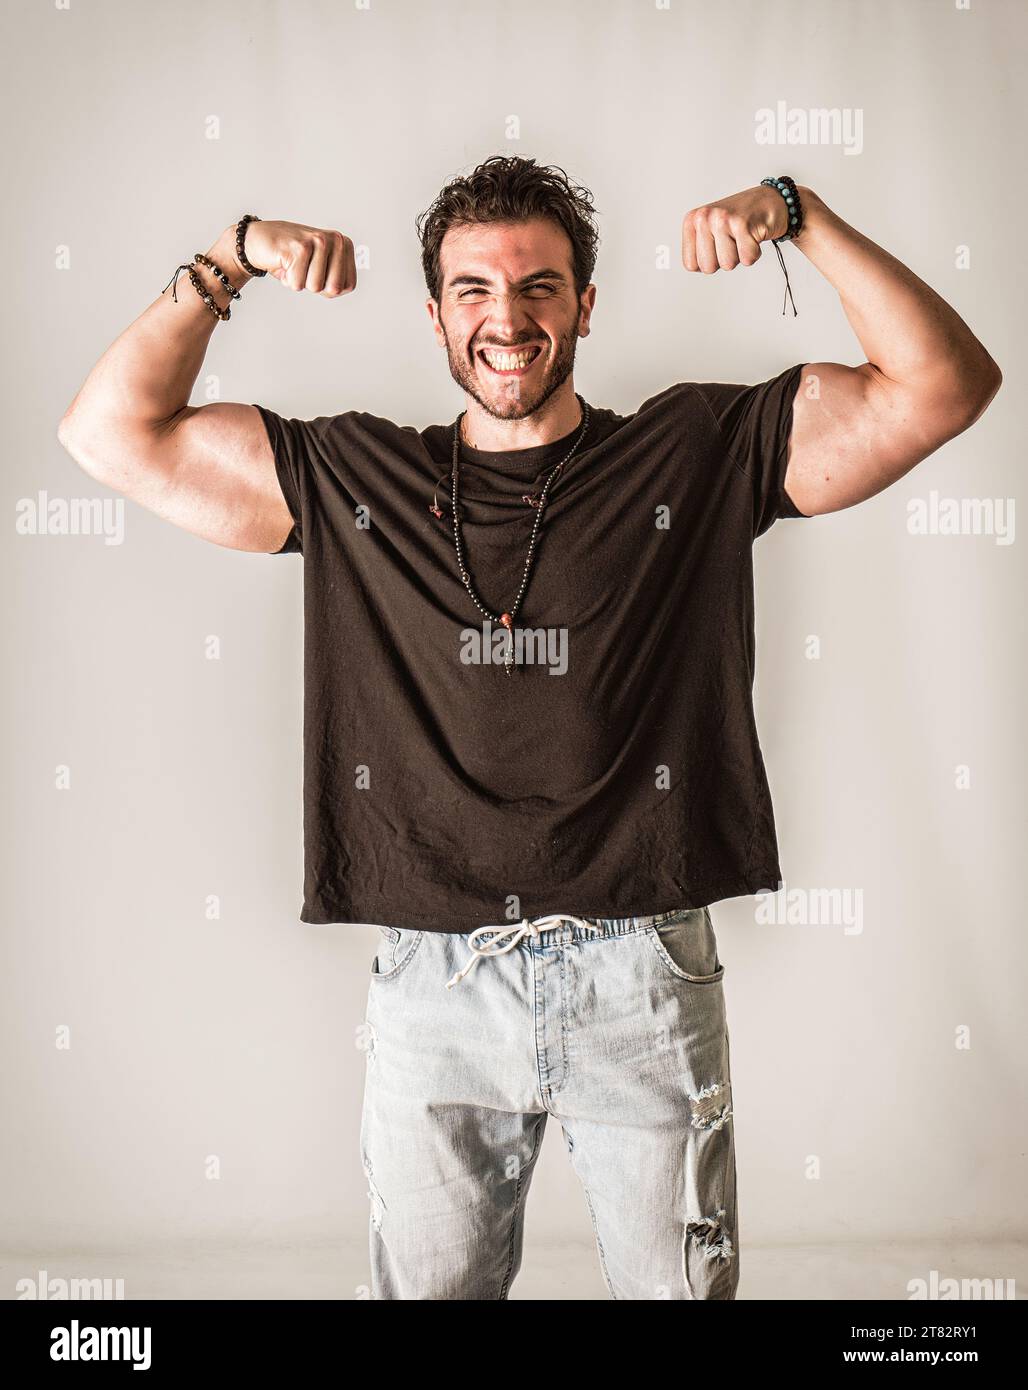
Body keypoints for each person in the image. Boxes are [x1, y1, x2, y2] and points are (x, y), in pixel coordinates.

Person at [57, 156, 1001, 1300]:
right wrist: (231, 256)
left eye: (539, 287)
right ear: (435, 314)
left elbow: (942, 385)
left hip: (640, 972)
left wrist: (799, 217)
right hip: (434, 988)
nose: (505, 318)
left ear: (584, 305)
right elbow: (110, 432)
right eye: (472, 290)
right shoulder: (355, 480)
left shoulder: (689, 454)